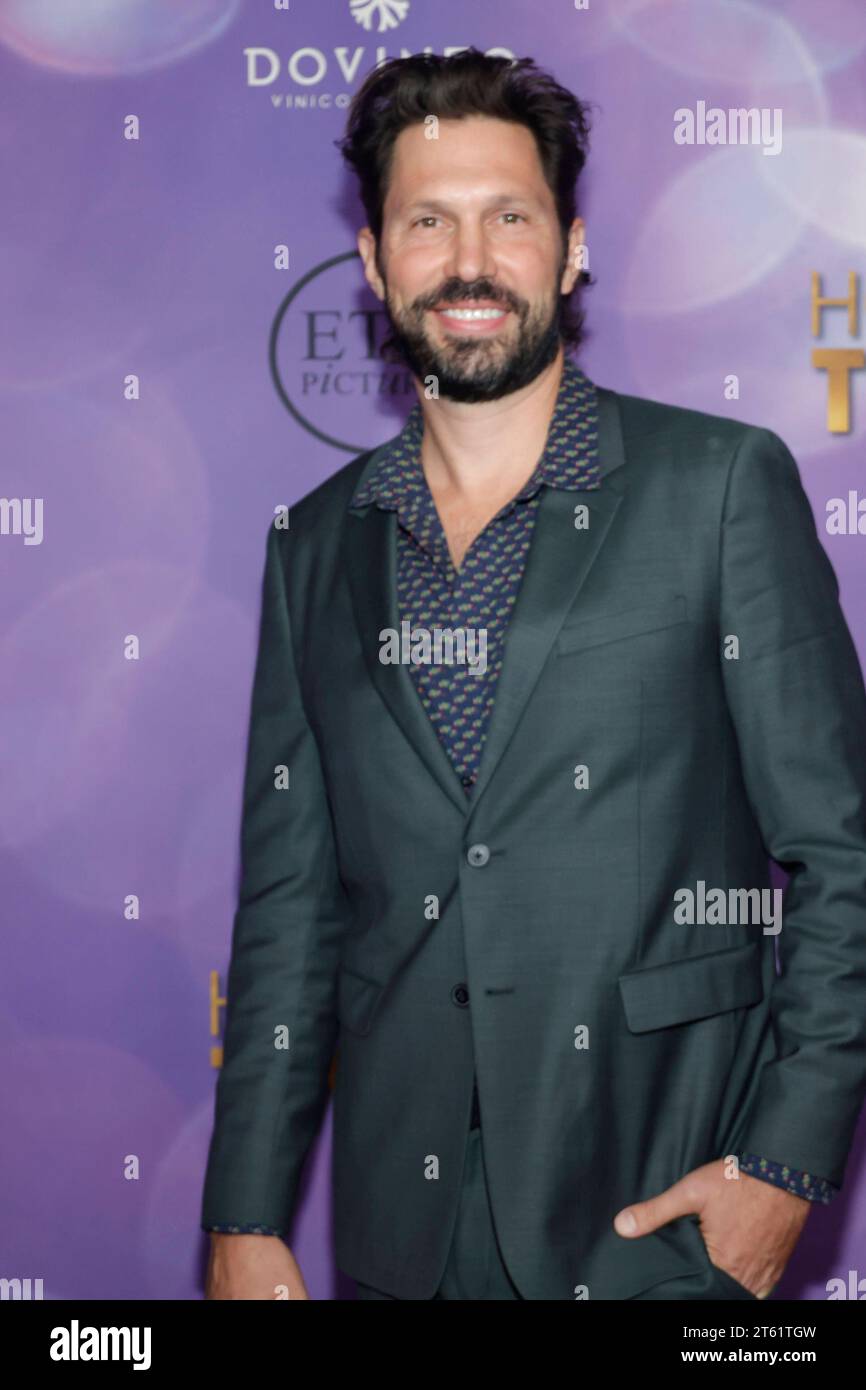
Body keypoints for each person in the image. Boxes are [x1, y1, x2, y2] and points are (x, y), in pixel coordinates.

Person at [201, 49, 866, 1300]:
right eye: (426, 220)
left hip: (660, 1207)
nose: (469, 259)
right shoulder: (313, 544)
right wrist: (244, 1211)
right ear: (372, 263)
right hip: (401, 1234)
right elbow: (290, 911)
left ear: (567, 250)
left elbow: (844, 849)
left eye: (509, 215)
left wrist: (782, 1168)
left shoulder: (715, 487)